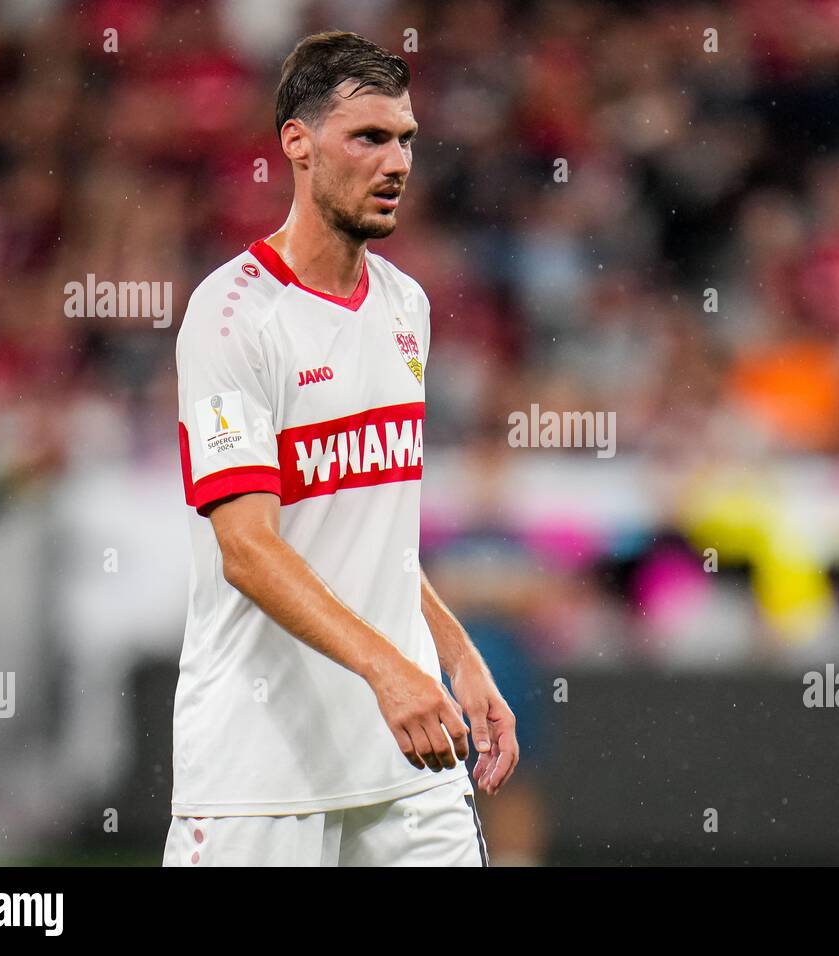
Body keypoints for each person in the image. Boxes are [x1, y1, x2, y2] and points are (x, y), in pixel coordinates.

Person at [164, 31, 518, 866]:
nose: (396, 162)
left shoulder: (406, 306)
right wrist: (387, 670)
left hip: (409, 762)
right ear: (297, 143)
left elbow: (375, 538)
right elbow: (249, 549)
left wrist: (455, 655)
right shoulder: (231, 317)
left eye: (406, 140)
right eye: (368, 137)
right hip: (260, 771)